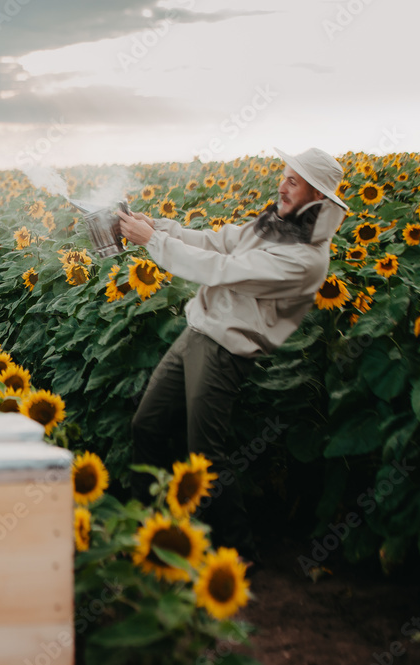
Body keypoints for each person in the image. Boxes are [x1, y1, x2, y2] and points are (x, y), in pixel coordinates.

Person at [118, 147, 348, 564]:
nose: (282, 184)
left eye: (293, 181)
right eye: (285, 175)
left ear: (318, 195)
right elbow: (219, 242)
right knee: (146, 426)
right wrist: (161, 226)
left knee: (204, 454)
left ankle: (236, 553)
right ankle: (151, 532)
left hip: (225, 349)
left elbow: (221, 270)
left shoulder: (306, 258)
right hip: (197, 330)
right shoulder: (280, 225)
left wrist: (154, 242)